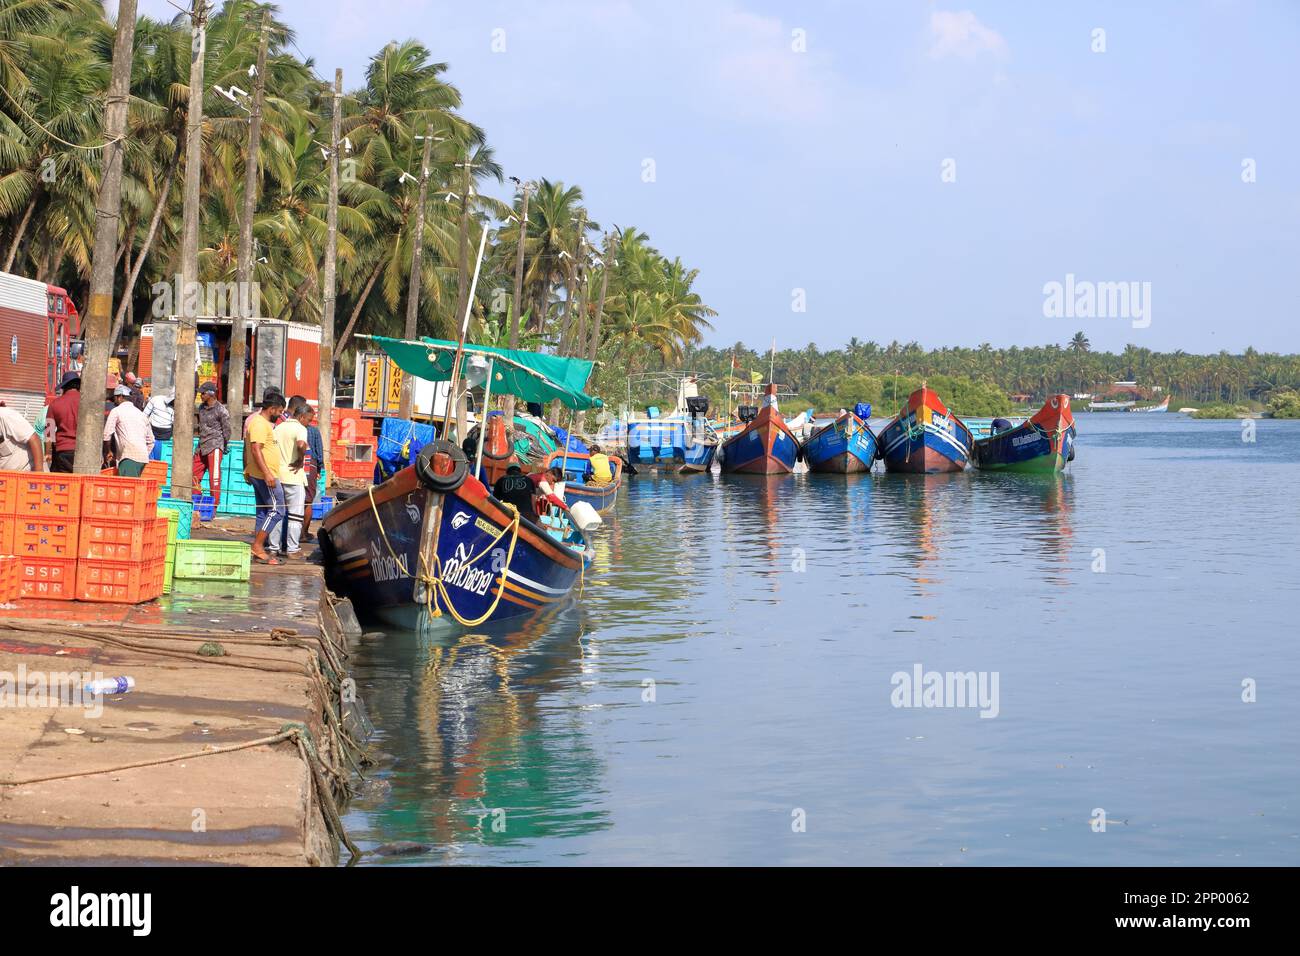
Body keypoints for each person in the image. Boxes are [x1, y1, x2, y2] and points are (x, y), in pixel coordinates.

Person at [244, 389, 286, 565]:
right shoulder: (260, 424)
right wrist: (267, 472)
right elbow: (255, 449)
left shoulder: (262, 423)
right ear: (273, 409)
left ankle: (258, 549)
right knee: (278, 510)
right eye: (280, 411)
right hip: (264, 475)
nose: (281, 415)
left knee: (263, 511)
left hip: (259, 473)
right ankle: (258, 546)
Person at [272, 401, 311, 558]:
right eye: (309, 420)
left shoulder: (278, 427)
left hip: (277, 475)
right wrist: (301, 459)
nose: (309, 423)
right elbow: (302, 444)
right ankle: (292, 548)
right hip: (294, 476)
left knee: (277, 513)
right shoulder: (300, 429)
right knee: (295, 514)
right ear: (301, 417)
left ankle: (273, 547)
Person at [103, 384, 154, 476]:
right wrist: (144, 452)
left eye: (115, 397)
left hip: (128, 456)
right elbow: (151, 441)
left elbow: (107, 435)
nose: (114, 400)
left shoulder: (116, 411)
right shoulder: (141, 414)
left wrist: (108, 451)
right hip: (142, 458)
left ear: (120, 397)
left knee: (127, 488)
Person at [194, 382, 229, 514]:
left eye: (203, 393)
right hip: (201, 445)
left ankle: (213, 507)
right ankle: (196, 502)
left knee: (214, 478)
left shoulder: (221, 410)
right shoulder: (202, 407)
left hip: (215, 445)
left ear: (211, 394)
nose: (201, 395)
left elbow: (227, 431)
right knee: (194, 474)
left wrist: (223, 446)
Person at [46, 371, 80, 472]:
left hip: (63, 450)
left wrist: (47, 453)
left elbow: (49, 431)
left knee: (64, 484)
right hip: (83, 450)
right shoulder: (85, 402)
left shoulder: (55, 404)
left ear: (64, 386)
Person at [300, 408, 325, 543]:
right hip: (311, 465)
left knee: (296, 500)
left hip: (295, 466)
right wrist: (320, 469)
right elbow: (319, 452)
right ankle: (303, 533)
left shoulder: (290, 427)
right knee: (308, 500)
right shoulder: (313, 431)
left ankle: (298, 533)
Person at [0, 404, 45, 472]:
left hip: (26, 473)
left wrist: (38, 474)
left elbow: (34, 439)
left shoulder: (6, 416)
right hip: (6, 477)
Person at [142, 389, 174, 459]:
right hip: (153, 431)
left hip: (166, 434)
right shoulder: (156, 400)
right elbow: (144, 415)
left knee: (162, 455)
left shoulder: (176, 406)